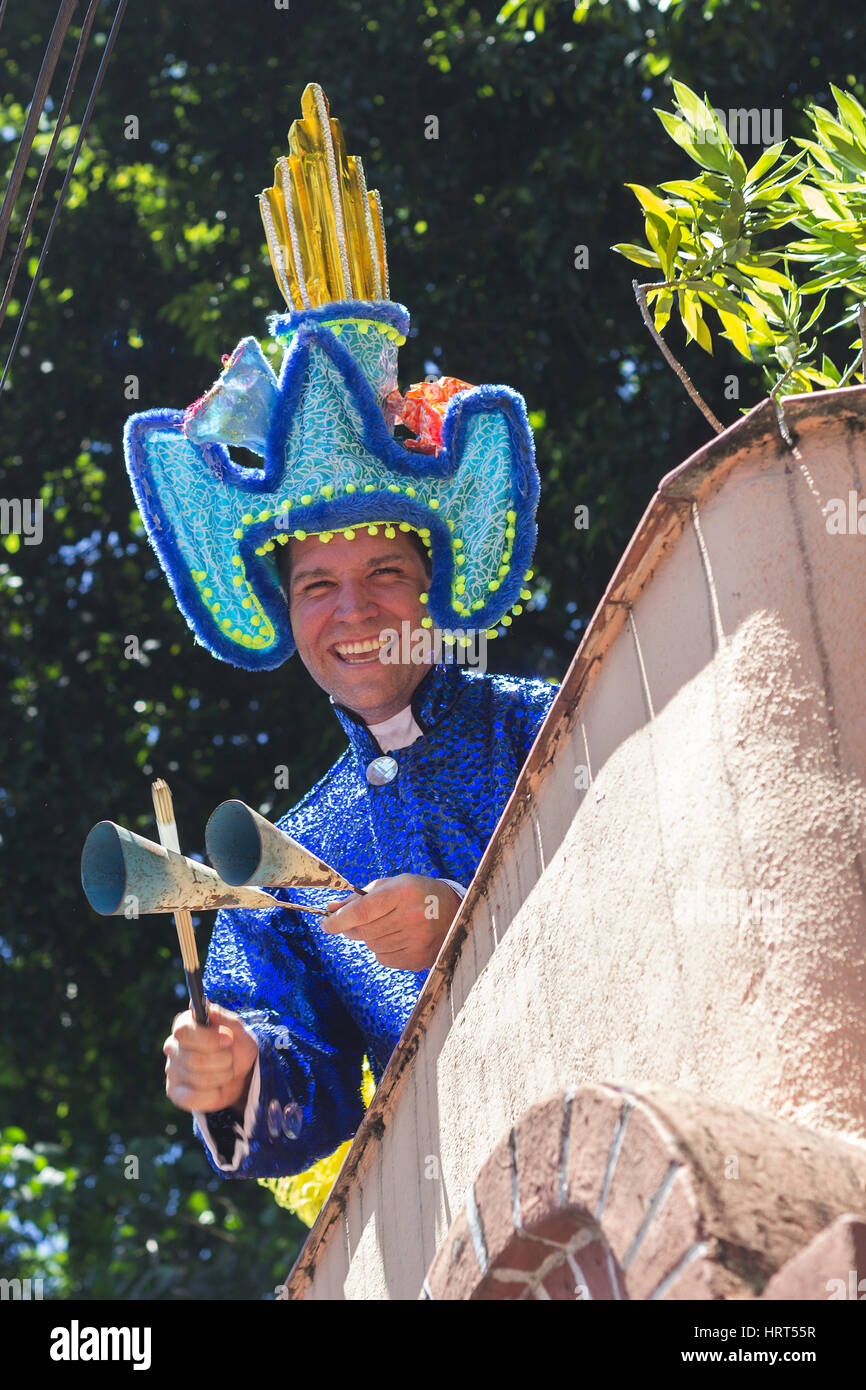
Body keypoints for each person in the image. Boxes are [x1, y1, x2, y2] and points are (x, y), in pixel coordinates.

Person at [122, 82, 558, 1197]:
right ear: (281, 611)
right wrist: (230, 1066)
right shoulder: (289, 859)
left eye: (381, 574)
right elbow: (304, 1087)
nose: (351, 610)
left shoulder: (557, 720)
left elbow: (665, 876)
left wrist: (471, 920)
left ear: (433, 585)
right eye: (316, 583)